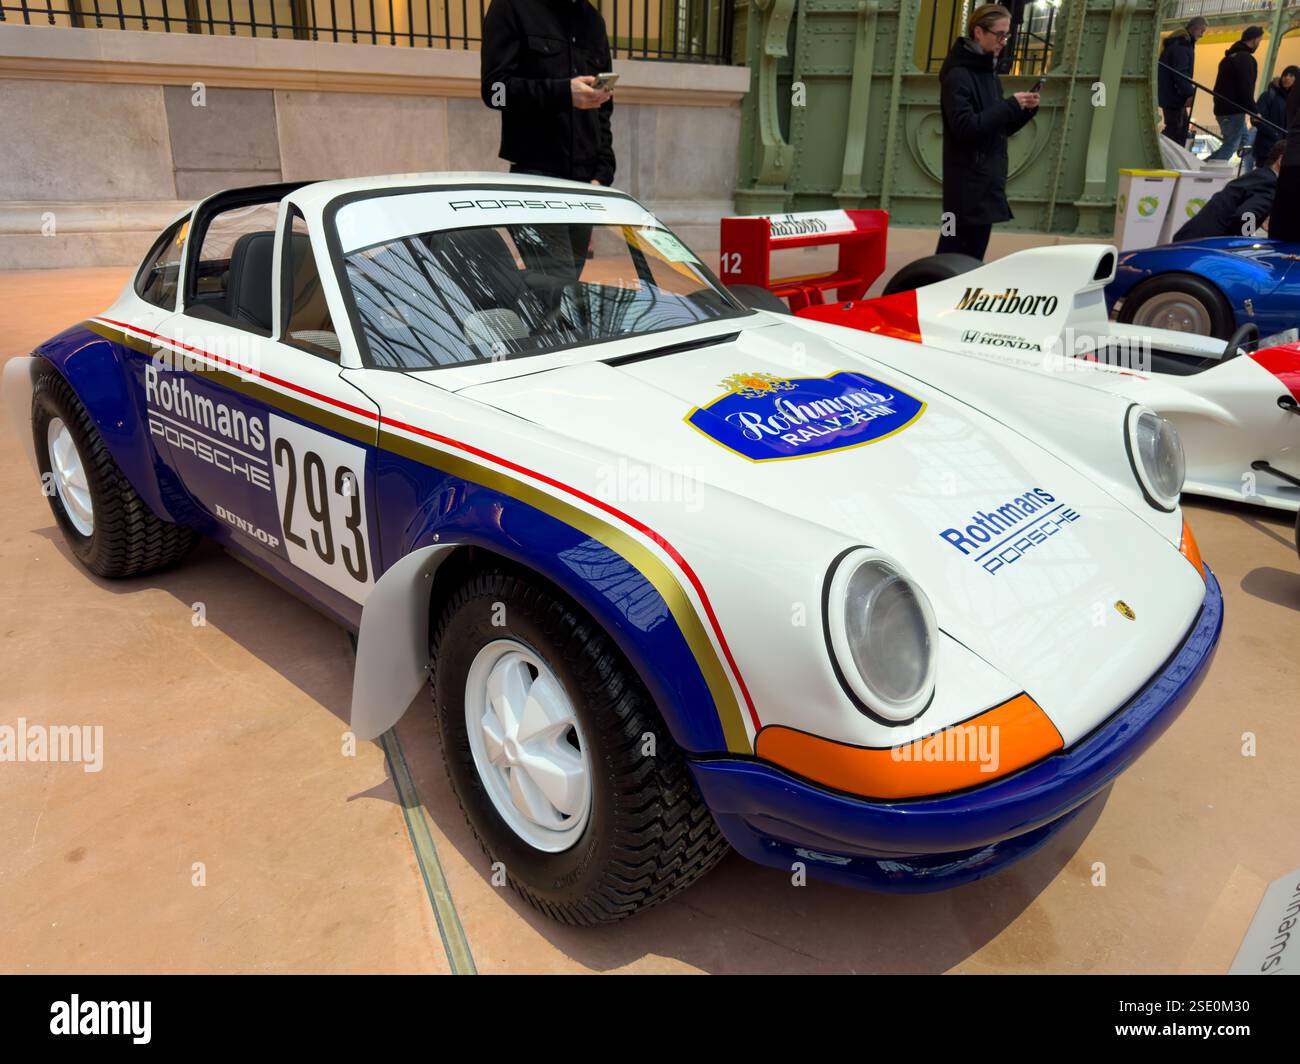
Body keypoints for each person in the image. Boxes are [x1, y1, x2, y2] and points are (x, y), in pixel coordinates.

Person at [936, 3, 1039, 261]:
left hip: (985, 183)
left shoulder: (988, 74)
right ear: (978, 32)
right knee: (949, 255)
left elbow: (996, 129)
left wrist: (1023, 110)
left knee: (971, 259)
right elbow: (966, 128)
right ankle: (931, 296)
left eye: (1007, 35)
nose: (1004, 41)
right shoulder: (957, 75)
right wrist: (1009, 105)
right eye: (999, 34)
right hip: (965, 187)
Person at [480, 0, 616, 187]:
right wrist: (563, 93)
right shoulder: (512, 5)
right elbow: (493, 92)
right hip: (534, 174)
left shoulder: (594, 20)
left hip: (591, 180)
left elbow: (604, 108)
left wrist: (604, 171)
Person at [1174, 139, 1286, 241]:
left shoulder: (1259, 176)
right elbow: (1246, 216)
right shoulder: (1270, 183)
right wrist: (1245, 242)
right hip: (1204, 246)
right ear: (1281, 160)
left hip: (1190, 238)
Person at [1209, 25, 1264, 162]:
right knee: (1231, 145)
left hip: (1223, 108)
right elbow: (1246, 87)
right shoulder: (1245, 59)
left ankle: (1203, 165)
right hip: (1233, 110)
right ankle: (1206, 169)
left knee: (1243, 141)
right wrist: (1254, 110)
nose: (1259, 44)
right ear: (1255, 40)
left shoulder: (1228, 58)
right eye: (1260, 40)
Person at [1158, 17, 1207, 148]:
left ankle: (1166, 154)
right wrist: (1190, 93)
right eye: (1202, 31)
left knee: (1178, 127)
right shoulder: (1183, 46)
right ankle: (1163, 152)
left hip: (1169, 93)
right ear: (1195, 28)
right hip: (1174, 95)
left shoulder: (1176, 44)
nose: (1202, 35)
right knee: (1176, 128)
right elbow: (1181, 73)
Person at [1268, 79, 1300, 241]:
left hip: (1294, 158)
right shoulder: (1262, 186)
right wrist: (1248, 231)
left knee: (1284, 234)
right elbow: (1247, 215)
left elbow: (1291, 106)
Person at [1251, 66, 1298, 171]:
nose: (1286, 78)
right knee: (1263, 180)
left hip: (1286, 153)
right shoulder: (1268, 96)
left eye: (1291, 75)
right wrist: (1275, 134)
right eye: (1285, 75)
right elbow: (1256, 119)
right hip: (1266, 150)